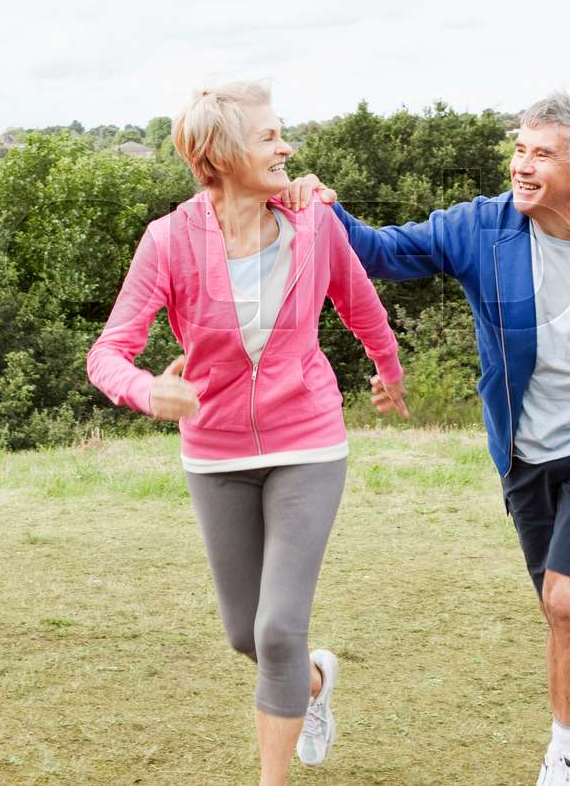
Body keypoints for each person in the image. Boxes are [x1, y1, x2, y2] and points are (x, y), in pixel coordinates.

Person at [284, 91, 570, 786]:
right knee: (558, 601)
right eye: (518, 148)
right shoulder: (482, 229)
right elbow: (381, 252)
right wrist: (327, 211)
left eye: (540, 153)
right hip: (523, 451)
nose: (520, 164)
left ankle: (564, 752)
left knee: (565, 598)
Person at [87, 80, 409, 786]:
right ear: (221, 156)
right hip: (216, 452)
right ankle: (312, 684)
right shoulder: (168, 241)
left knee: (277, 629)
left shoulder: (315, 222)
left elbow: (360, 305)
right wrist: (148, 389)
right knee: (246, 634)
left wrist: (388, 371)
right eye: (268, 136)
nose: (285, 146)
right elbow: (106, 353)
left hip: (309, 441)